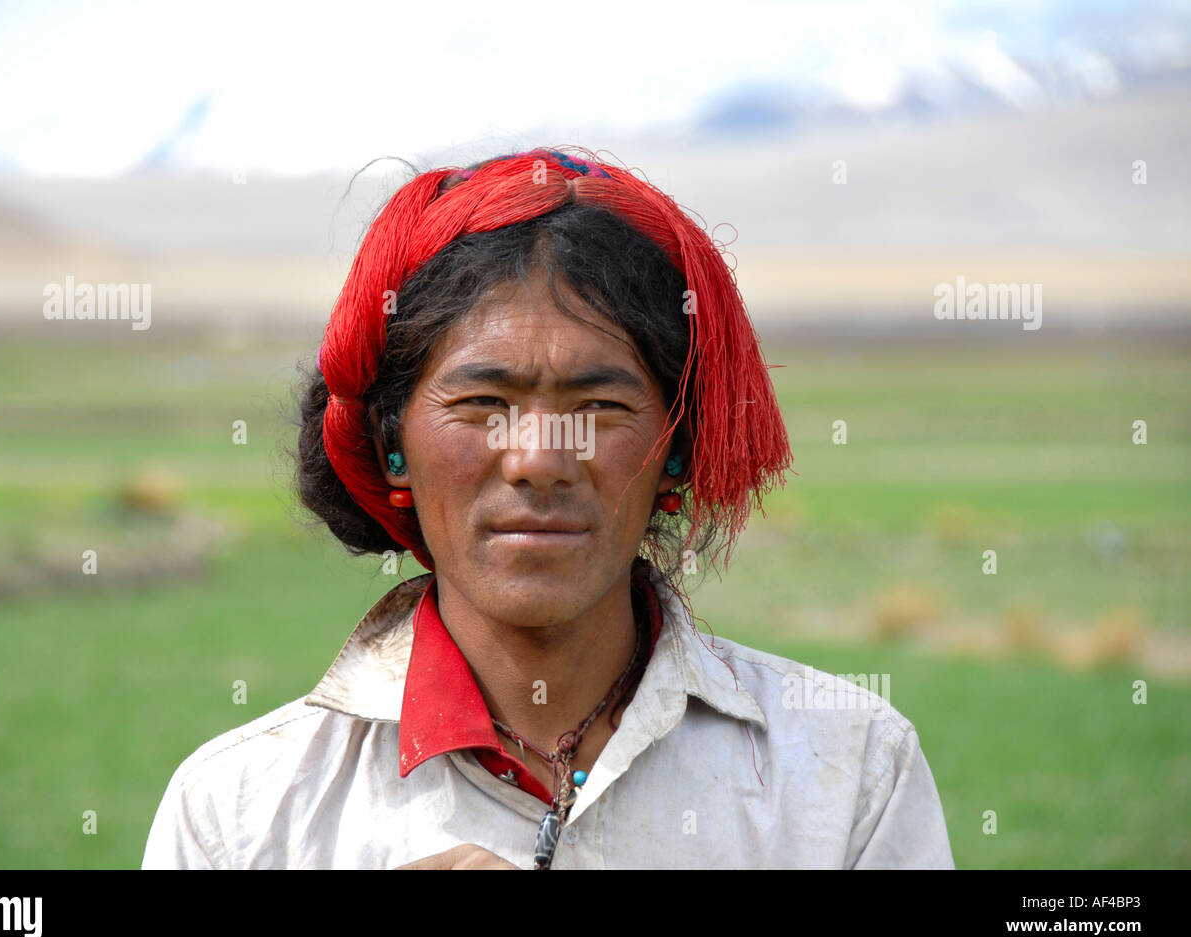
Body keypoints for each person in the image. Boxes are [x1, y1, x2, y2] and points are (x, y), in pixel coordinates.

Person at [141, 147, 955, 869]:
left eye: (599, 408)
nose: (539, 461)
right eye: (484, 403)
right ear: (394, 445)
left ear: (675, 449)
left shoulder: (845, 772)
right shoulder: (239, 817)